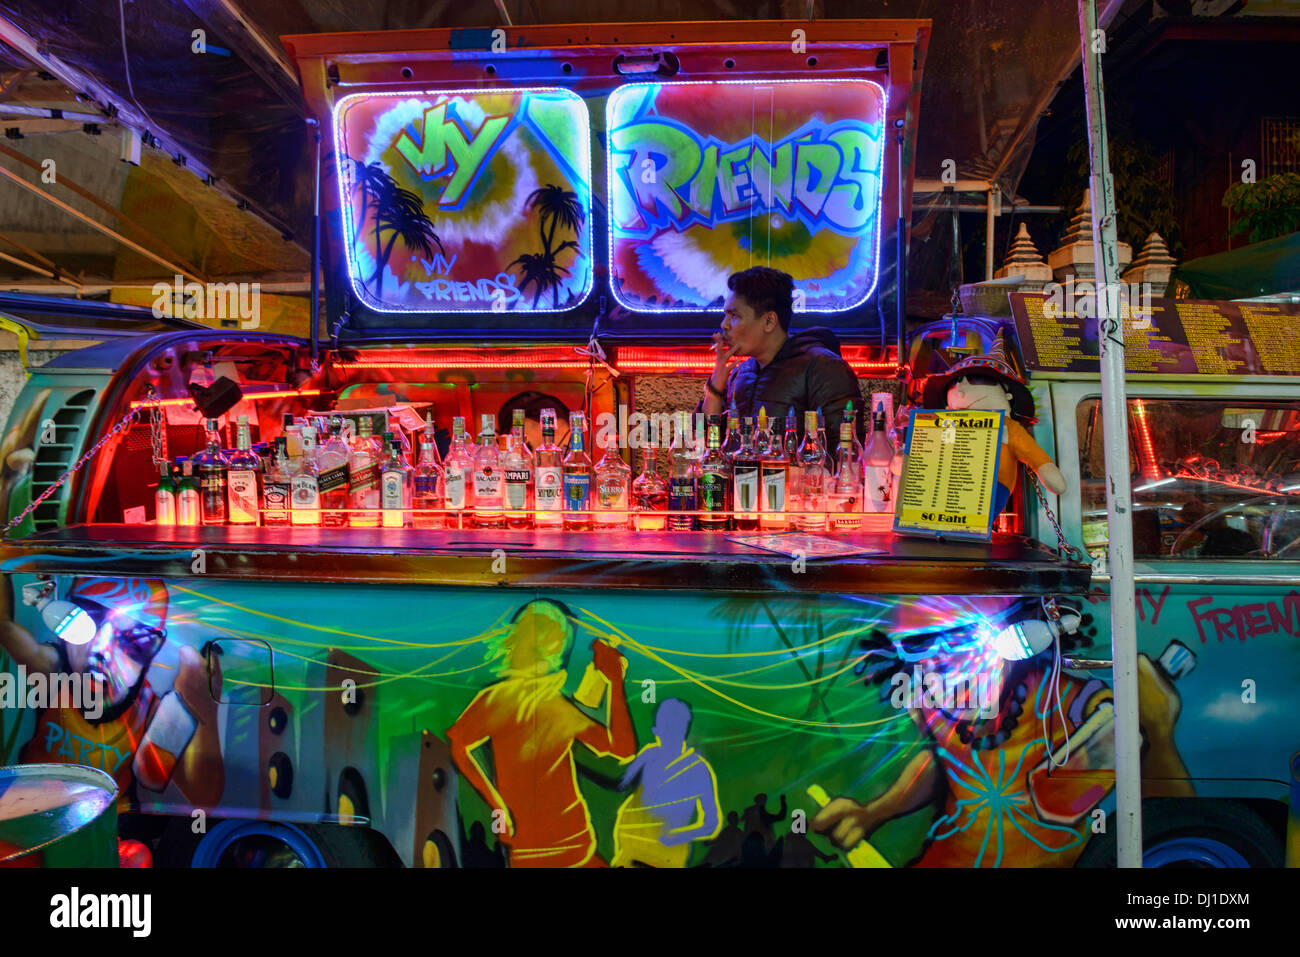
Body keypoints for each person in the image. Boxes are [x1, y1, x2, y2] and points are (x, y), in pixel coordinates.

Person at [703, 267, 862, 456]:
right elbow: (706, 452)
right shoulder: (739, 374)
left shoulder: (823, 369)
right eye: (726, 315)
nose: (724, 324)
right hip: (742, 484)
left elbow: (846, 458)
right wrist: (715, 389)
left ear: (769, 321)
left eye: (734, 316)